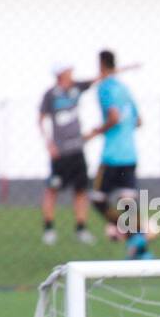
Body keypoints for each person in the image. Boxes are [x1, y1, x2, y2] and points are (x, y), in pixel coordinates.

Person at [84, 49, 151, 260]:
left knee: (97, 199)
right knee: (127, 200)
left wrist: (95, 132)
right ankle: (140, 245)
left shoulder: (105, 87)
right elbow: (138, 121)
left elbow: (113, 116)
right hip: (130, 153)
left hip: (112, 155)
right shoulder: (124, 87)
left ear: (101, 64)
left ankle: (132, 234)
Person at [38, 64, 97, 245]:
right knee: (52, 189)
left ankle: (81, 228)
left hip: (77, 150)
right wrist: (49, 143)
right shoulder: (51, 94)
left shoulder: (76, 88)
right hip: (60, 153)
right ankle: (49, 229)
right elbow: (41, 119)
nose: (72, 73)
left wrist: (125, 68)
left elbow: (98, 78)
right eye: (68, 70)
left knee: (81, 190)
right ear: (61, 73)